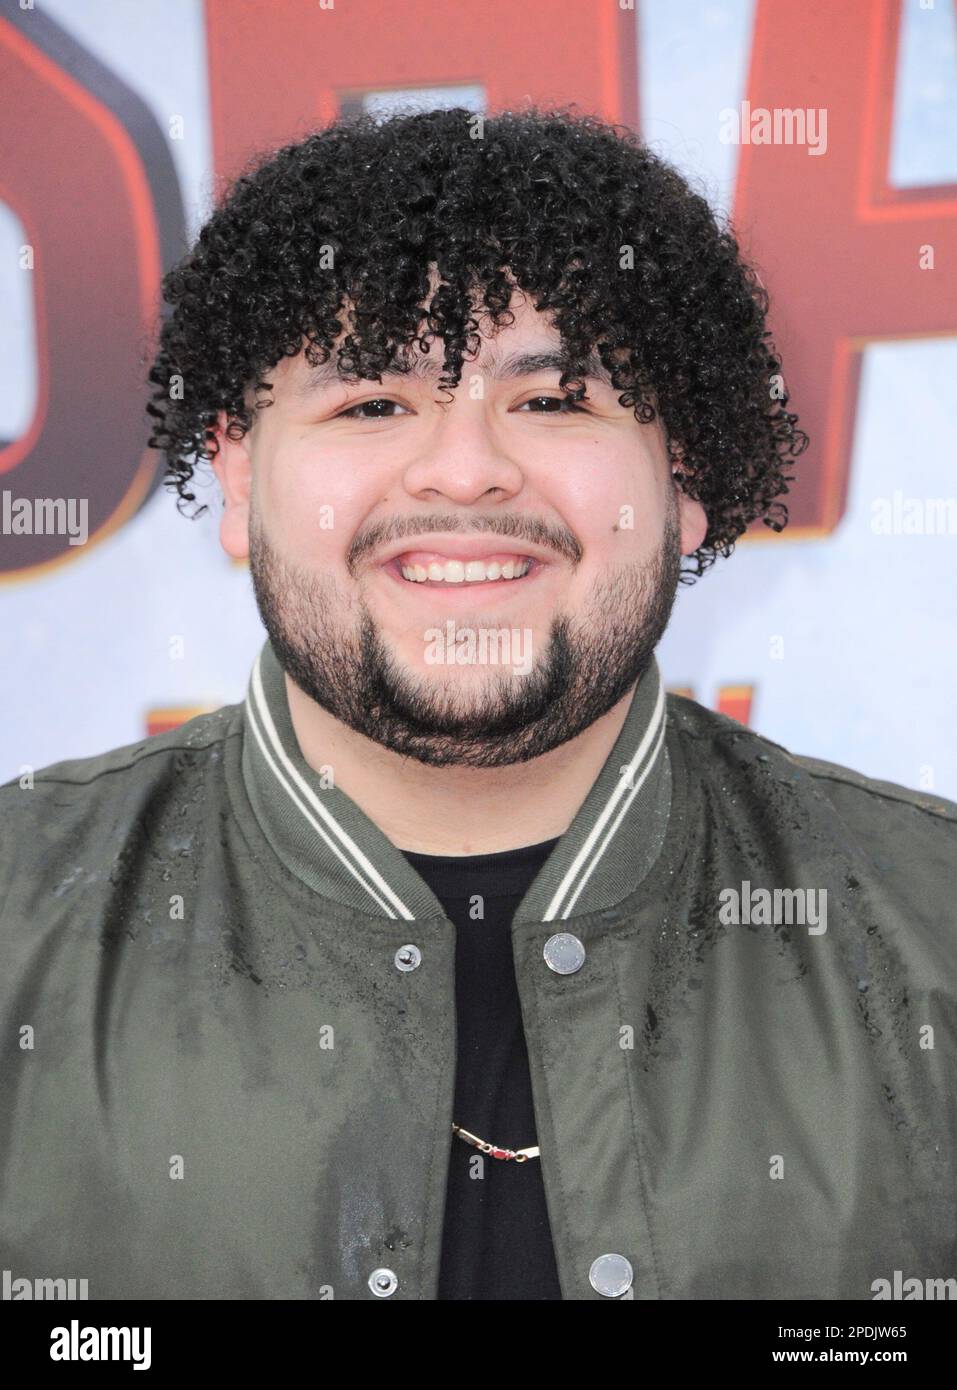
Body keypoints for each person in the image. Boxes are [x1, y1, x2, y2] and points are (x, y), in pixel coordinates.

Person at [1, 108, 954, 1302]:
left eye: (554, 401)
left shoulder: (934, 934)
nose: (465, 468)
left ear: (687, 477)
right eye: (371, 404)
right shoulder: (16, 924)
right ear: (241, 475)